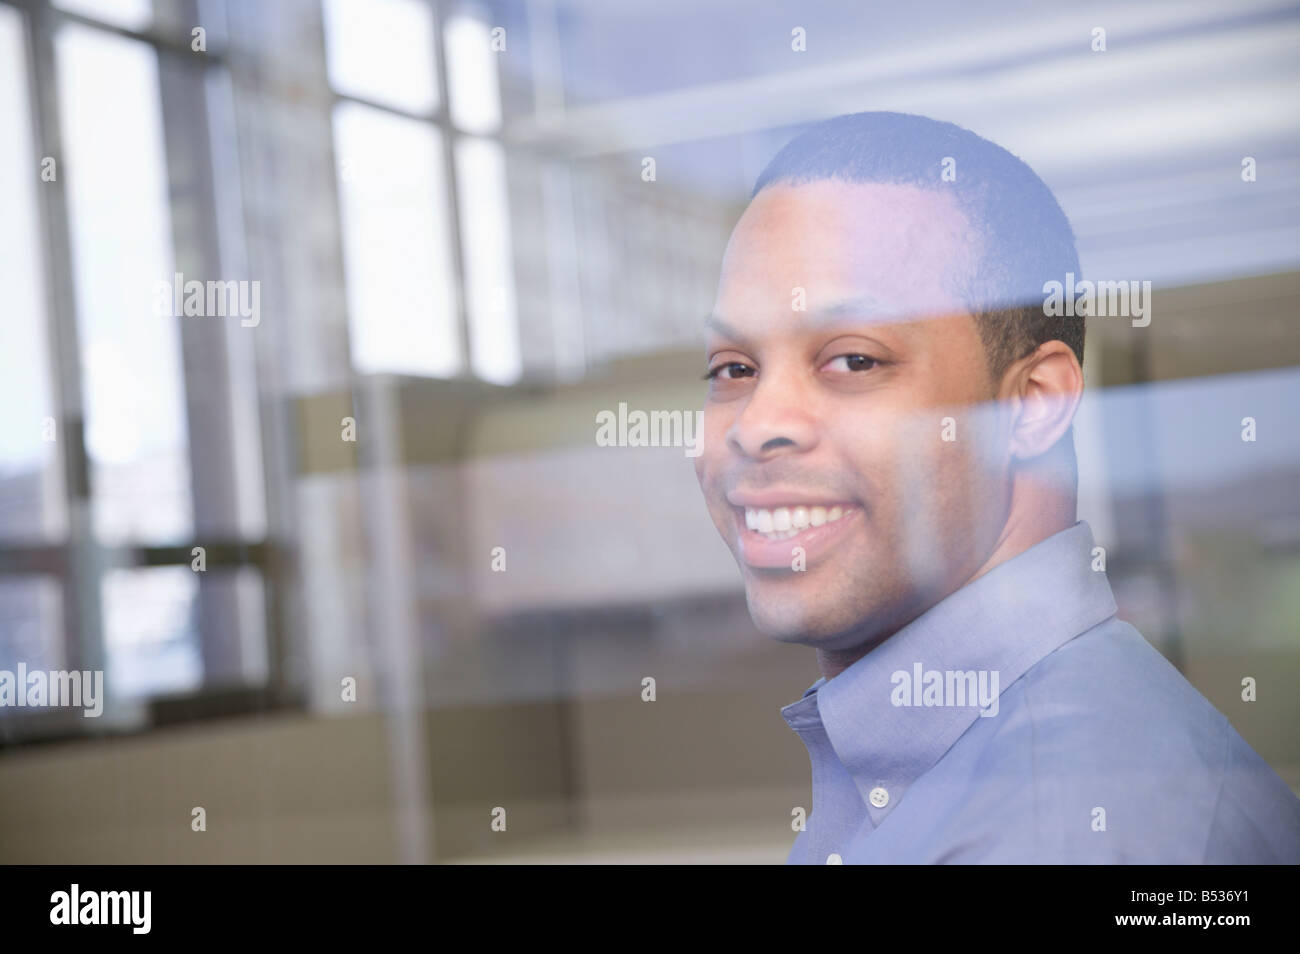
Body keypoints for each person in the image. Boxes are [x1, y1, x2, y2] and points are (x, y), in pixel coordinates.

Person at [692, 110, 1300, 863]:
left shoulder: (1064, 829)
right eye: (733, 369)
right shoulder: (962, 776)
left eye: (853, 360)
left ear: (1031, 403)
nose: (757, 424)